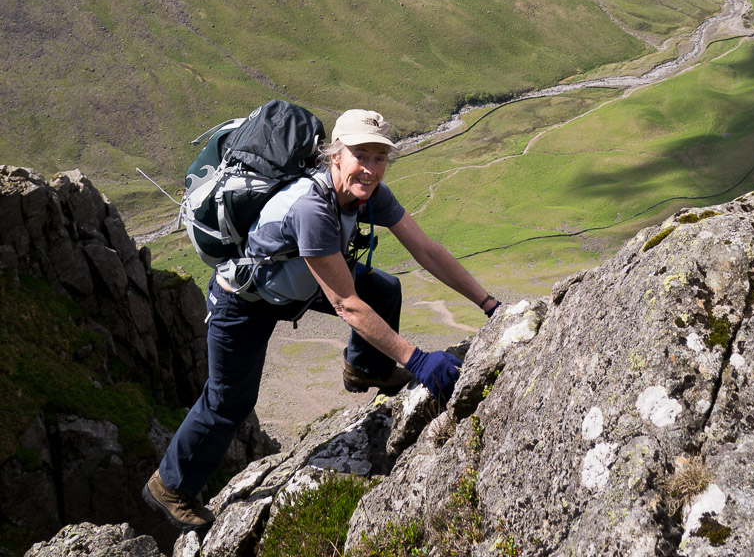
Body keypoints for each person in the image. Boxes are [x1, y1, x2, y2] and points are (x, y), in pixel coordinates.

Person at [143, 108, 501, 532]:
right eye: (360, 156)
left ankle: (366, 367)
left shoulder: (368, 193)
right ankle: (170, 485)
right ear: (335, 156)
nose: (370, 169)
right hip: (244, 300)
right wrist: (418, 360)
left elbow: (427, 250)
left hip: (296, 283)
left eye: (380, 158)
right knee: (229, 401)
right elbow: (346, 304)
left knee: (384, 288)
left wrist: (489, 304)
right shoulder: (310, 207)